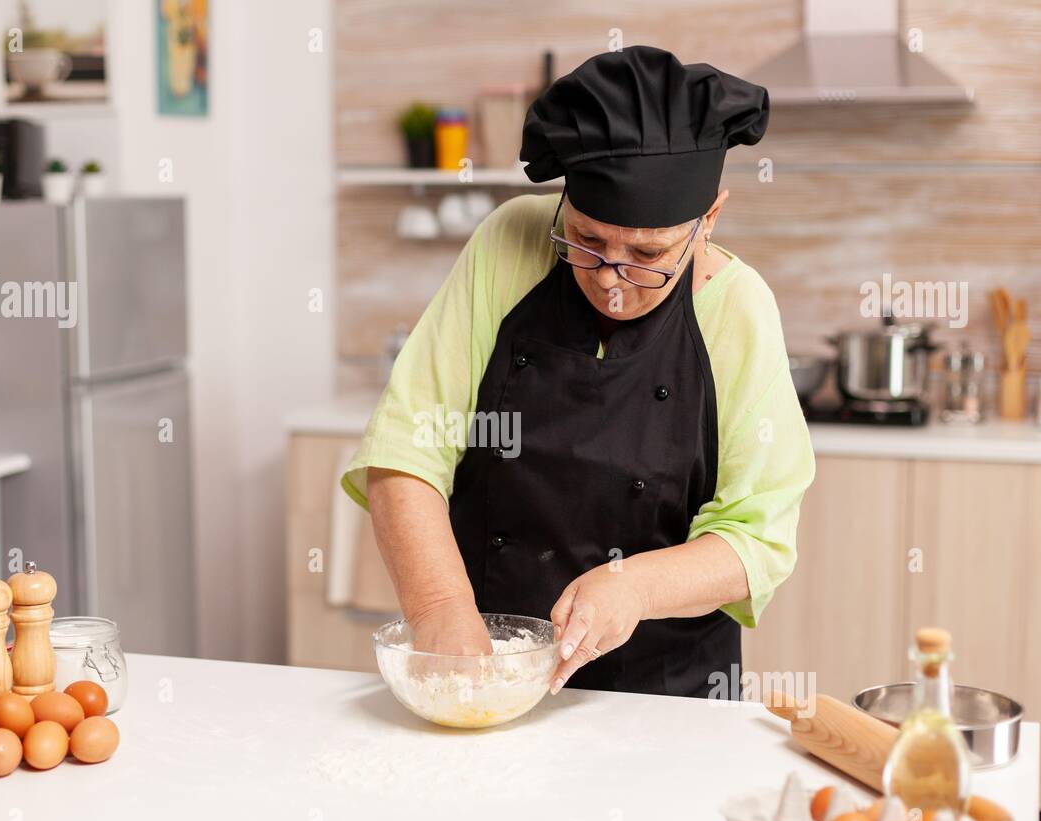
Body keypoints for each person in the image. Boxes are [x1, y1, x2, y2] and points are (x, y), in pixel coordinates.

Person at [341, 46, 814, 699]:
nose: (612, 283)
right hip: (488, 669)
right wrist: (442, 613)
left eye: (646, 257)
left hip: (669, 695)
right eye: (587, 243)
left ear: (709, 219)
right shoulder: (509, 241)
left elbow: (757, 538)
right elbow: (407, 449)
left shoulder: (738, 306)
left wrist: (633, 585)